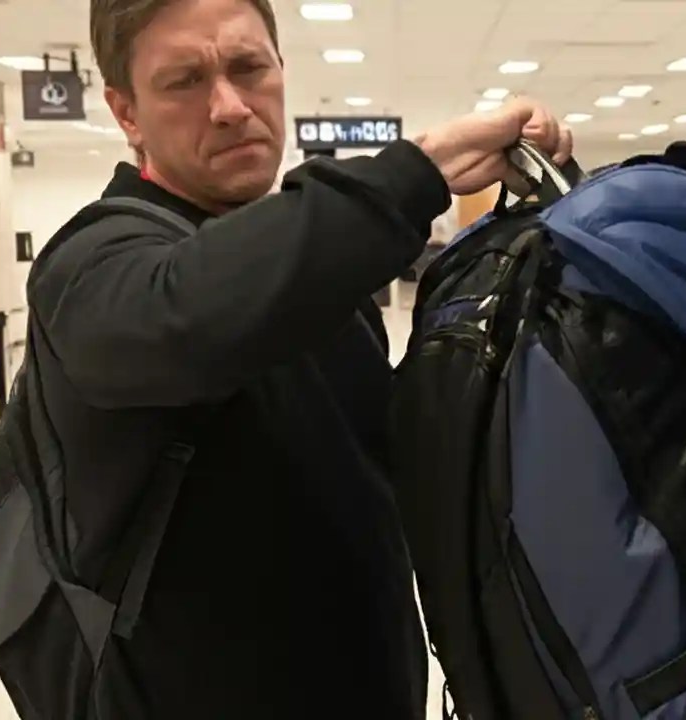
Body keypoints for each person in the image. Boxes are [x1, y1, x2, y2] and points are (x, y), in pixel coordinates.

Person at [29, 0, 572, 717]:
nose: (229, 106)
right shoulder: (92, 264)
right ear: (127, 113)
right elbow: (181, 317)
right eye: (183, 81)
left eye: (248, 68)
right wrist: (418, 170)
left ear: (280, 72)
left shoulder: (319, 267)